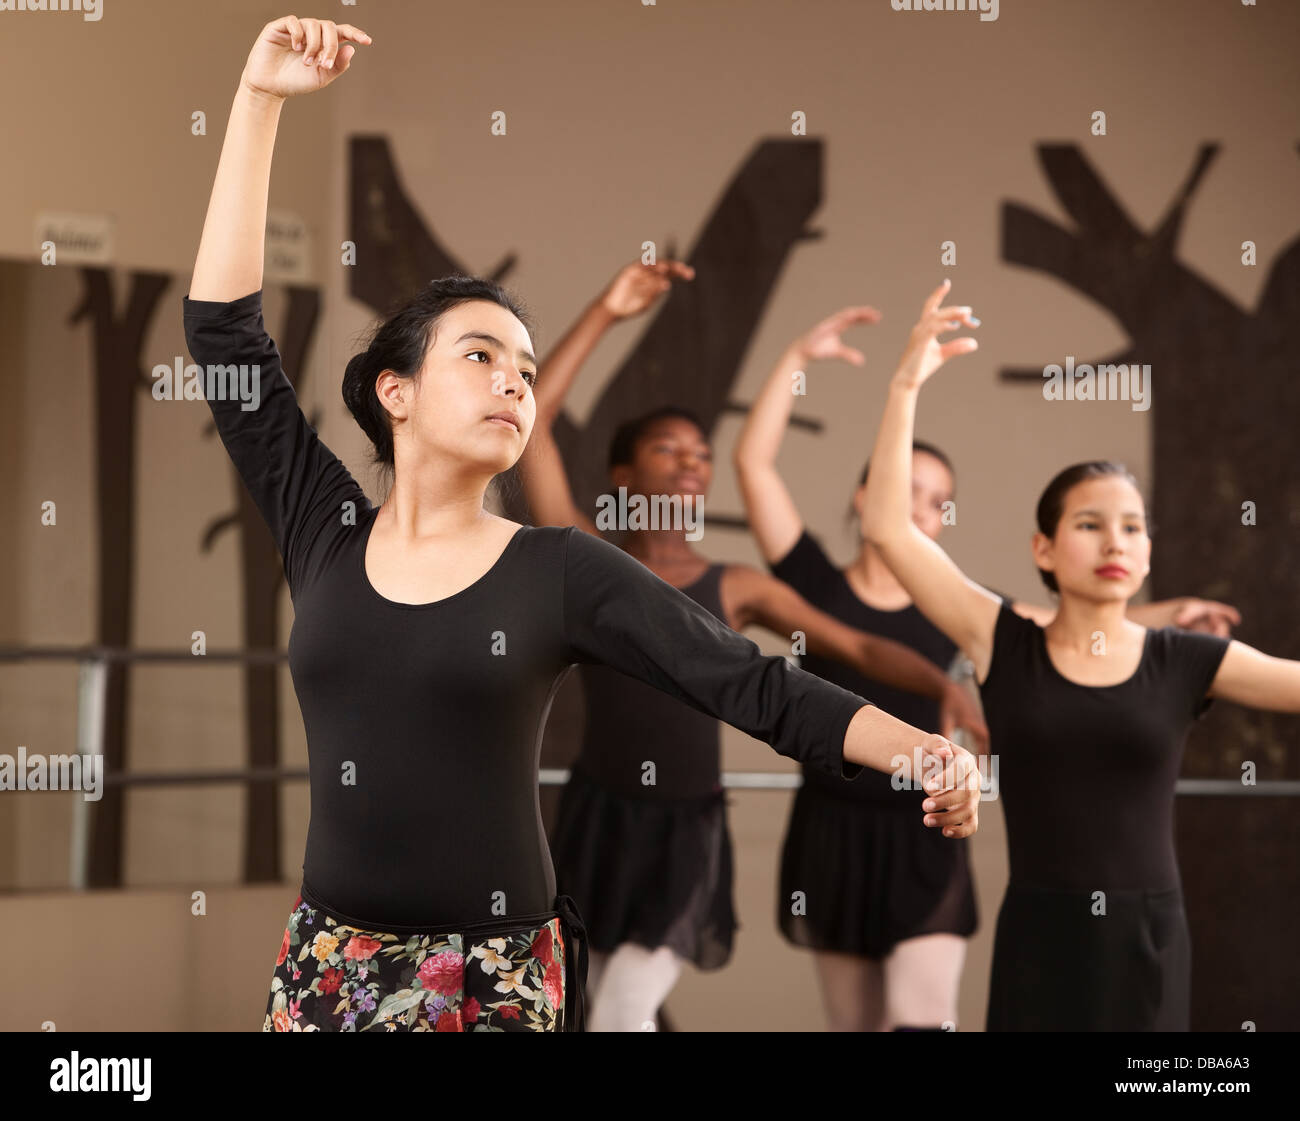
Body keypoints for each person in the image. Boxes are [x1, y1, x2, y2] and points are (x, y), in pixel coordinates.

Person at [184, 15, 982, 1033]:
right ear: (394, 389)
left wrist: (926, 750)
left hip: (494, 978)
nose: (512, 382)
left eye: (524, 369)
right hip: (328, 961)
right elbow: (223, 333)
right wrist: (256, 102)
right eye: (479, 355)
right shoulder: (323, 525)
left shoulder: (557, 570)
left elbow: (748, 681)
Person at [733, 307, 1240, 1031]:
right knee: (856, 1025)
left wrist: (1176, 612)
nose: (922, 509)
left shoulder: (961, 610)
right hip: (834, 824)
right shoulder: (811, 580)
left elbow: (1066, 623)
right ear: (867, 493)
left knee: (922, 1017)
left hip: (928, 819)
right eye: (907, 487)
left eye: (938, 502)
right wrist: (795, 356)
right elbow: (752, 463)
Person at [517, 260, 988, 1032]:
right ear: (622, 471)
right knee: (592, 1003)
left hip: (687, 831)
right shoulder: (585, 560)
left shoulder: (737, 585)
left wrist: (943, 688)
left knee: (623, 1008)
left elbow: (859, 650)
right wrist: (607, 309)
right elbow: (535, 418)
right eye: (669, 451)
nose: (691, 464)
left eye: (701, 455)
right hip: (598, 820)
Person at [858, 278, 1299, 1031]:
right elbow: (891, 531)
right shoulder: (1001, 637)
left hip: (1151, 940)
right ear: (1045, 547)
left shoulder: (1187, 657)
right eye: (1090, 524)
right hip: (1041, 934)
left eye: (1131, 526)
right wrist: (904, 383)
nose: (1115, 541)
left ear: (1149, 550)